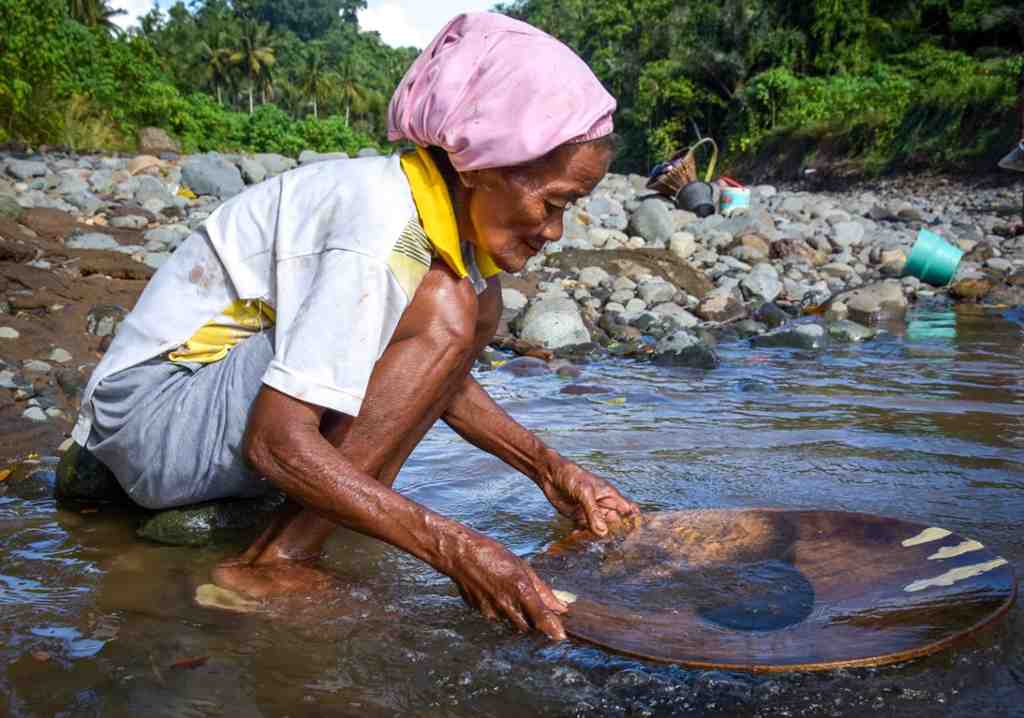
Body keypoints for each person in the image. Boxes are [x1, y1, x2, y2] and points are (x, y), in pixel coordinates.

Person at [68, 12, 638, 640]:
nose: (554, 232)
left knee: (470, 309)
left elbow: (431, 378)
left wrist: (550, 470)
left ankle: (298, 541)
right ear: (479, 165)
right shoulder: (380, 226)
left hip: (205, 411)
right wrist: (460, 551)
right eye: (552, 203)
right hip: (154, 420)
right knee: (449, 308)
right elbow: (275, 444)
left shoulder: (446, 236)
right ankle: (272, 563)